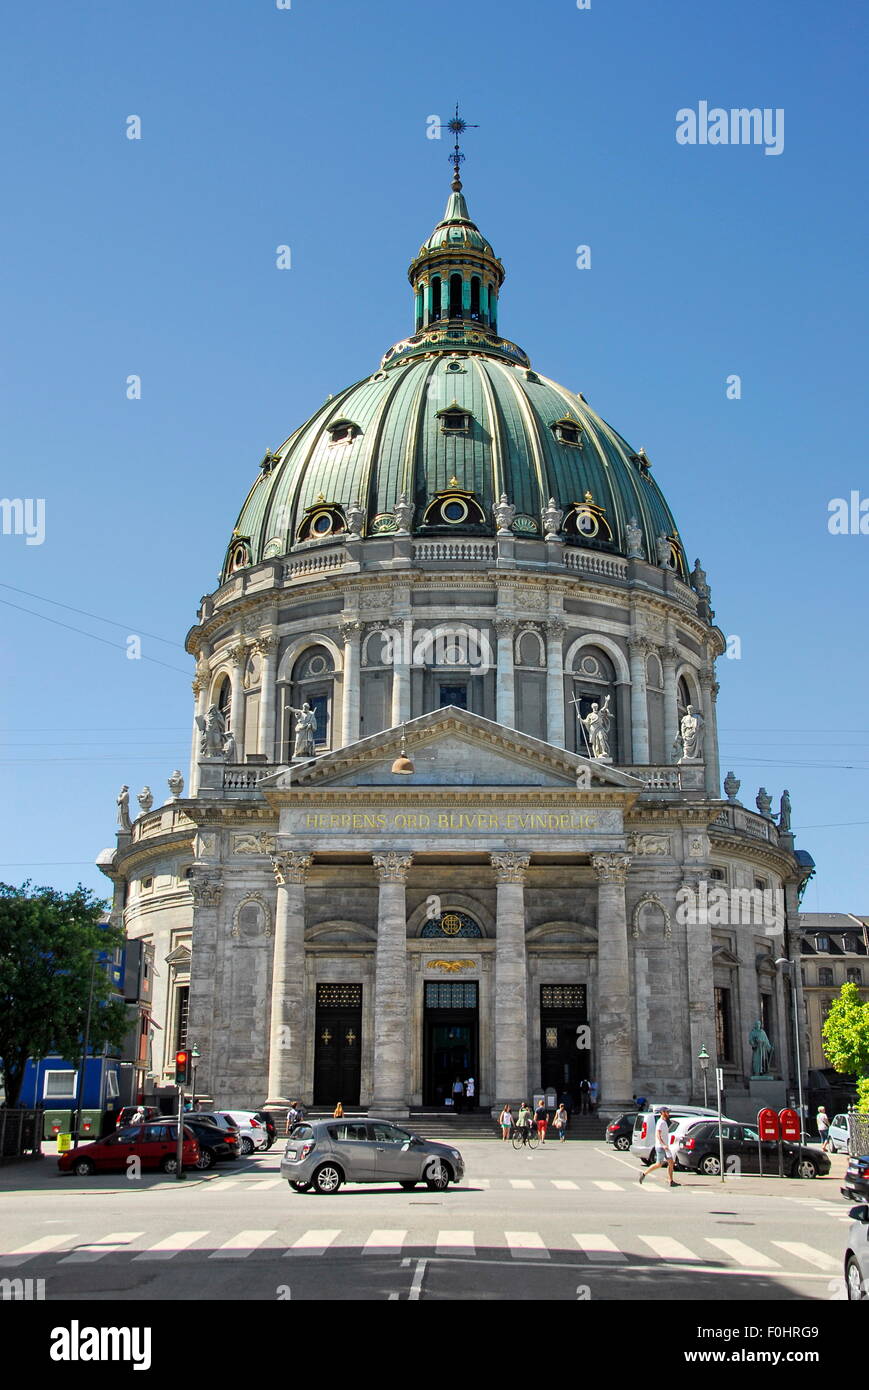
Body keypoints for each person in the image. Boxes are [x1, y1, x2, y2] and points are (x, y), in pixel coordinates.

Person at [638, 1107, 679, 1188]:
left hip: (665, 1147)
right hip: (661, 1147)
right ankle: (643, 1174)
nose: (668, 1114)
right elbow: (658, 1134)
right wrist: (663, 1144)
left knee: (671, 1162)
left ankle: (671, 1181)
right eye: (667, 1112)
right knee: (659, 1164)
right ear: (662, 1112)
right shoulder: (660, 1122)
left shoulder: (664, 1122)